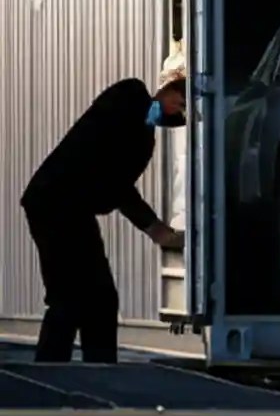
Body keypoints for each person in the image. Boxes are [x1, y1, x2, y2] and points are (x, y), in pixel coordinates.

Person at [19, 59, 188, 363]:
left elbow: (116, 184)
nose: (180, 106)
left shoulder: (142, 137)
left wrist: (154, 228)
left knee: (91, 298)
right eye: (179, 95)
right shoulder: (129, 95)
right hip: (56, 203)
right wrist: (154, 228)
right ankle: (63, 368)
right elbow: (114, 175)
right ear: (165, 88)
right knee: (73, 297)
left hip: (69, 207)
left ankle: (87, 367)